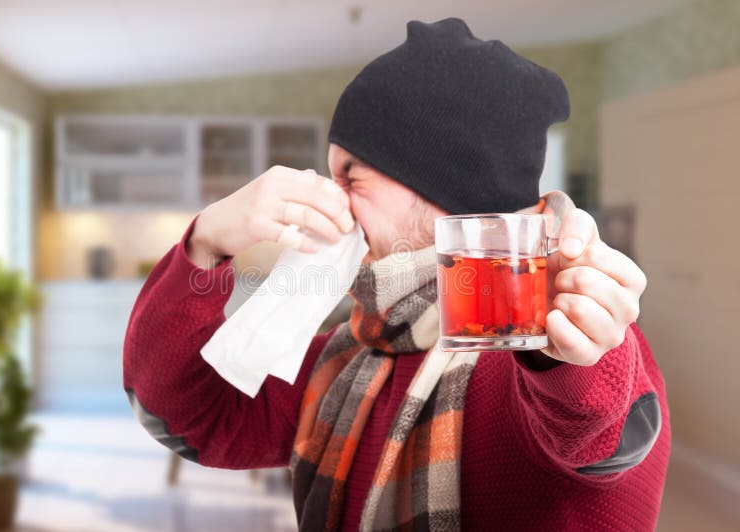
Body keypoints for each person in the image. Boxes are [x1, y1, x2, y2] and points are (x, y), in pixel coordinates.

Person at [123, 18, 669, 531]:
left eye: (351, 177)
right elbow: (185, 419)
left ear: (445, 186)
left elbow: (599, 438)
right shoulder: (348, 358)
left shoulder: (550, 349)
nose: (330, 202)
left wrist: (580, 351)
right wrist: (204, 243)